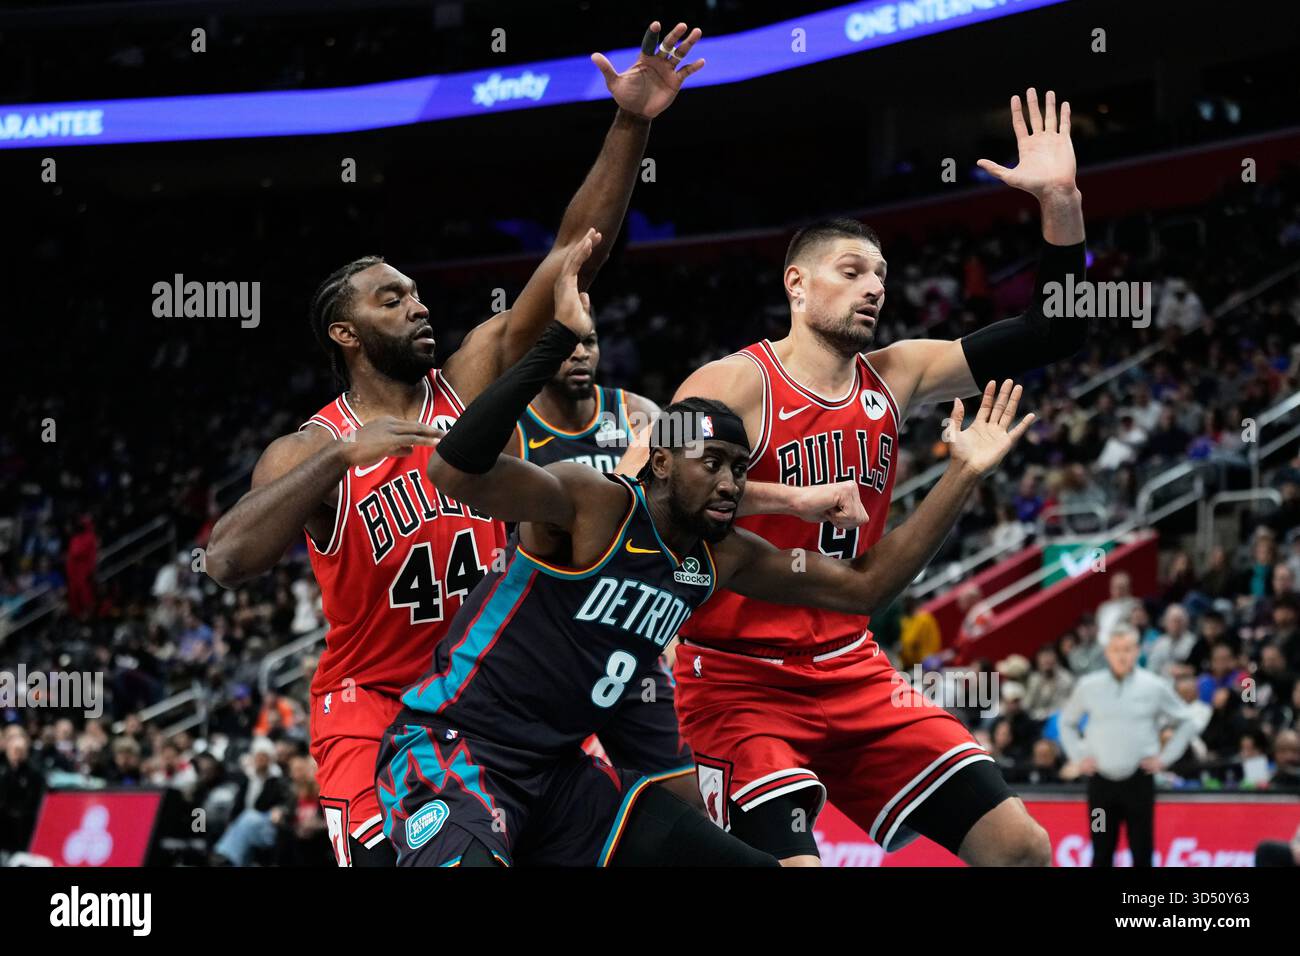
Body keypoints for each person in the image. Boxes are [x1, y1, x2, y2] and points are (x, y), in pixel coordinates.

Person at [203, 20, 709, 866]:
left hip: (499, 688)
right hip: (375, 708)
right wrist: (340, 457)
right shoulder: (308, 448)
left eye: (415, 293)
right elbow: (224, 559)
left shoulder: (472, 382)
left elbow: (571, 259)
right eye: (390, 299)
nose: (417, 305)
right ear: (346, 333)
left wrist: (632, 122)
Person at [377, 231, 1035, 866]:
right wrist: (548, 347)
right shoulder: (594, 503)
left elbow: (864, 588)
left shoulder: (723, 558)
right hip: (455, 745)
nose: (729, 482)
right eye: (711, 463)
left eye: (739, 468)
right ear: (659, 461)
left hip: (559, 769)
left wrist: (963, 473)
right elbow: (454, 472)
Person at [618, 88, 1083, 865]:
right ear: (797, 286)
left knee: (1023, 848)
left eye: (882, 273)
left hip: (851, 661)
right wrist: (783, 496)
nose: (875, 285)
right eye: (852, 270)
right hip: (737, 676)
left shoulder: (897, 375)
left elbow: (1056, 329)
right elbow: (641, 487)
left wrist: (1061, 204)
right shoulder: (735, 382)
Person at [1058, 626, 1199, 867]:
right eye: (1115, 650)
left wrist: (1164, 759)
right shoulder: (1088, 686)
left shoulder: (1153, 686)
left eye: (1127, 649)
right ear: (1107, 653)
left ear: (1137, 651)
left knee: (1142, 853)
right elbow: (1067, 722)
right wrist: (1079, 757)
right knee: (1100, 852)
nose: (1121, 655)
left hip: (1139, 782)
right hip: (1100, 785)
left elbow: (1186, 720)